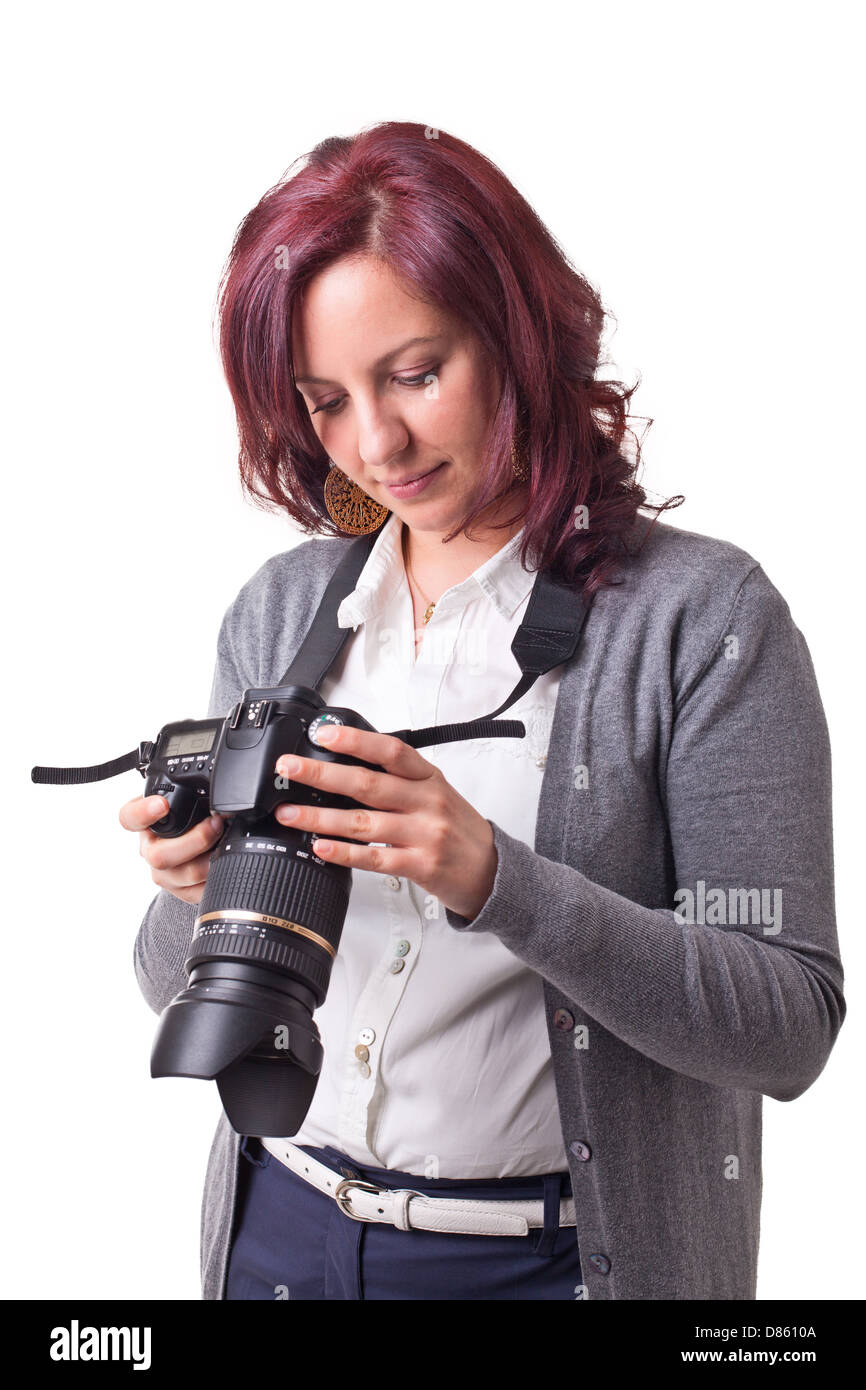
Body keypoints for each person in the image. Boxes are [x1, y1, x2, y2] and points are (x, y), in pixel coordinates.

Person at [122, 121, 845, 1301]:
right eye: (324, 402)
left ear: (517, 332)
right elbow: (177, 986)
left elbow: (786, 1022)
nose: (376, 444)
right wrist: (191, 885)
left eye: (414, 373)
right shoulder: (284, 611)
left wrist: (496, 880)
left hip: (550, 1267)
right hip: (278, 1237)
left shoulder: (700, 618)